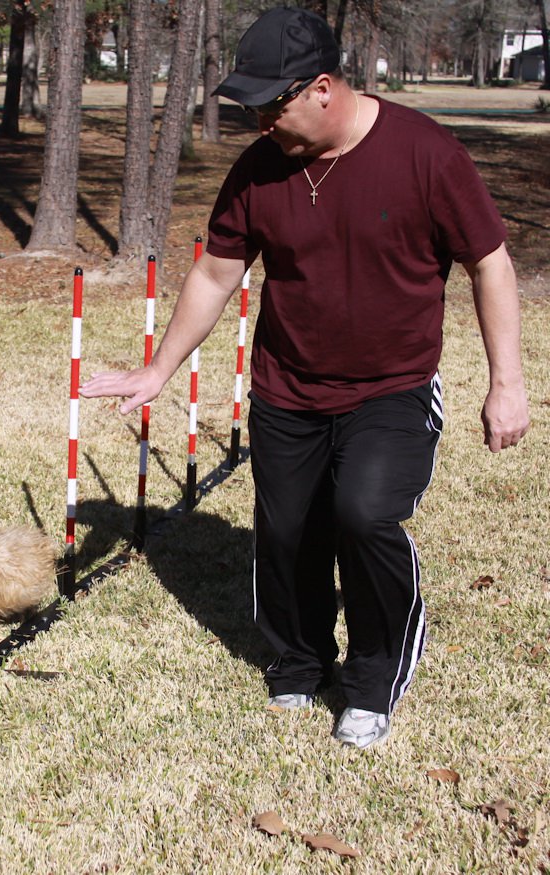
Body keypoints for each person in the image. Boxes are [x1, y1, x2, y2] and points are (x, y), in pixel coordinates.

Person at [80, 7, 529, 748]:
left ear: (321, 88)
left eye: (270, 105)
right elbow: (218, 272)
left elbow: (490, 263)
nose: (260, 124)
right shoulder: (260, 169)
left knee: (363, 514)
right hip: (288, 387)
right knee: (287, 530)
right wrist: (159, 367)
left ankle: (375, 674)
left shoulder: (425, 154)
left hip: (392, 387)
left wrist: (506, 382)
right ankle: (299, 658)